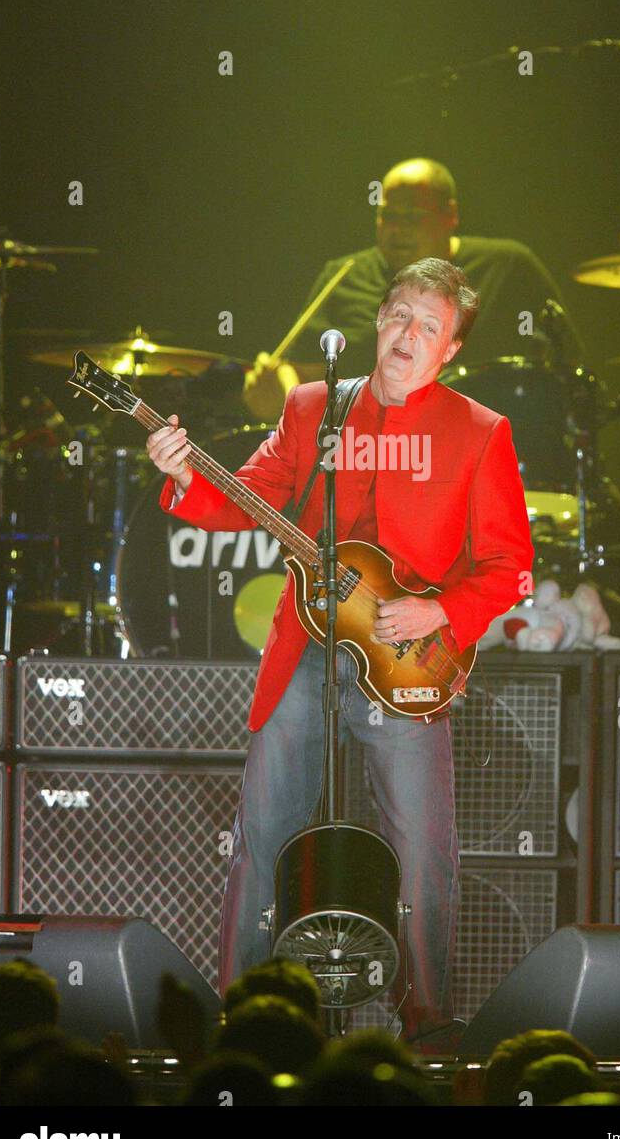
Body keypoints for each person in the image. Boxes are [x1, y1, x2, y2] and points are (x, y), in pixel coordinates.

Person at [146, 257, 534, 1048]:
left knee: (422, 856)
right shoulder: (315, 407)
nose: (406, 334)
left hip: (407, 663)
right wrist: (185, 478)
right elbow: (243, 498)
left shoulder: (480, 431)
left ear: (451, 349)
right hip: (307, 657)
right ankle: (245, 1020)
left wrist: (439, 608)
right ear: (378, 318)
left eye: (429, 326)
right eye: (399, 314)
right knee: (262, 837)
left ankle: (425, 1027)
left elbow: (511, 567)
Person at [242, 156, 582, 421]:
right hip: (375, 460)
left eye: (412, 217)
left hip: (484, 452)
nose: (397, 230)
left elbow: (571, 365)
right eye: (388, 216)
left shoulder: (508, 267)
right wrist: (278, 396)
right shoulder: (344, 275)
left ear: (451, 215)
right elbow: (301, 373)